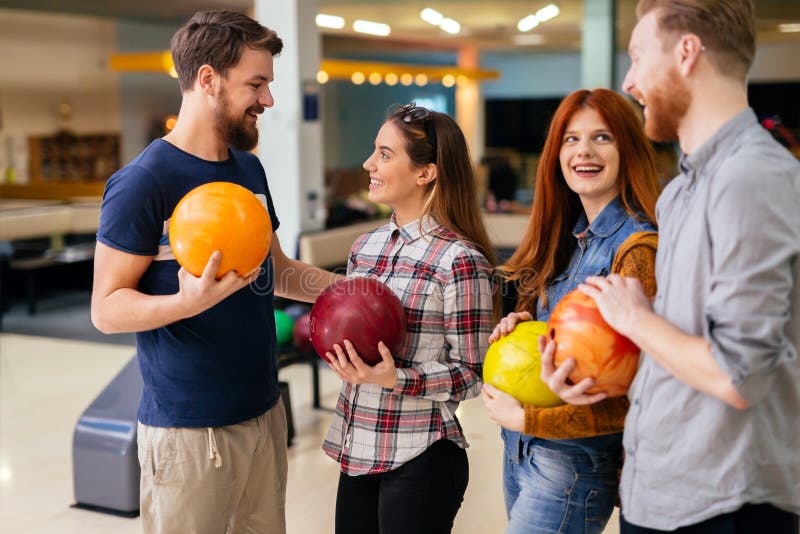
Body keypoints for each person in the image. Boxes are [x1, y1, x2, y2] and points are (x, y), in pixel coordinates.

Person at [91, 11, 342, 534]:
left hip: (264, 412)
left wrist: (353, 291)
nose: (267, 101)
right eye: (256, 84)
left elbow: (279, 271)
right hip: (188, 432)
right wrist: (186, 303)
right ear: (208, 79)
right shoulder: (143, 182)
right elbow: (107, 309)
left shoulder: (247, 169)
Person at [577, 1, 800, 532]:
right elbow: (682, 346)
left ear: (686, 51)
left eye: (637, 56)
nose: (629, 80)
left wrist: (635, 319)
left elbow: (738, 374)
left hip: (725, 503)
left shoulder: (754, 178)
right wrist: (593, 370)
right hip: (658, 492)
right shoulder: (679, 193)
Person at [480, 88, 661, 534]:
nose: (583, 151)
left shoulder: (637, 249)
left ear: (628, 149)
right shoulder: (565, 238)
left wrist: (531, 418)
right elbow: (576, 347)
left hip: (573, 464)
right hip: (522, 450)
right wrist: (526, 328)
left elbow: (643, 397)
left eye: (602, 138)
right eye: (570, 139)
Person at [321, 103, 497, 534]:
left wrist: (395, 378)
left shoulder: (460, 260)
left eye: (384, 153)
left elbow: (474, 373)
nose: (368, 164)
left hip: (421, 455)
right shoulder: (365, 247)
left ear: (425, 173)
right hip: (358, 445)